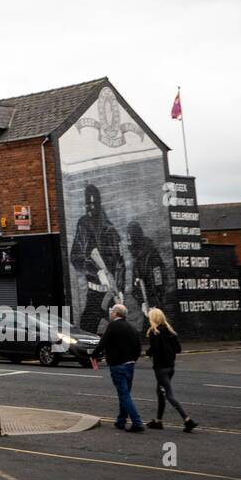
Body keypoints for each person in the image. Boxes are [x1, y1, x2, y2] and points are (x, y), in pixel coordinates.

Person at [69, 184, 128, 334]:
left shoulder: (110, 229)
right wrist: (97, 271)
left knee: (119, 329)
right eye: (88, 204)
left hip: (111, 292)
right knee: (85, 331)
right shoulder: (83, 224)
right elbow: (76, 257)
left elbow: (120, 262)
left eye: (94, 204)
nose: (91, 208)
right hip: (94, 292)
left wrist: (119, 289)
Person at [145, 308, 197, 432]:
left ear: (153, 318)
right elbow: (178, 349)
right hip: (170, 367)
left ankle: (187, 420)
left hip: (161, 369)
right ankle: (158, 421)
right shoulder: (170, 331)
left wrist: (148, 353)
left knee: (168, 394)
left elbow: (155, 348)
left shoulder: (155, 332)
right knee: (160, 393)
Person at [96, 303, 144, 432]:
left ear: (116, 313)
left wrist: (94, 355)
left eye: (112, 312)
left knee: (124, 395)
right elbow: (138, 348)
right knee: (125, 393)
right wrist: (133, 359)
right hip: (130, 365)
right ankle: (121, 420)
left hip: (118, 365)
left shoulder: (113, 326)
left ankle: (137, 422)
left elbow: (103, 343)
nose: (110, 313)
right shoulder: (132, 327)